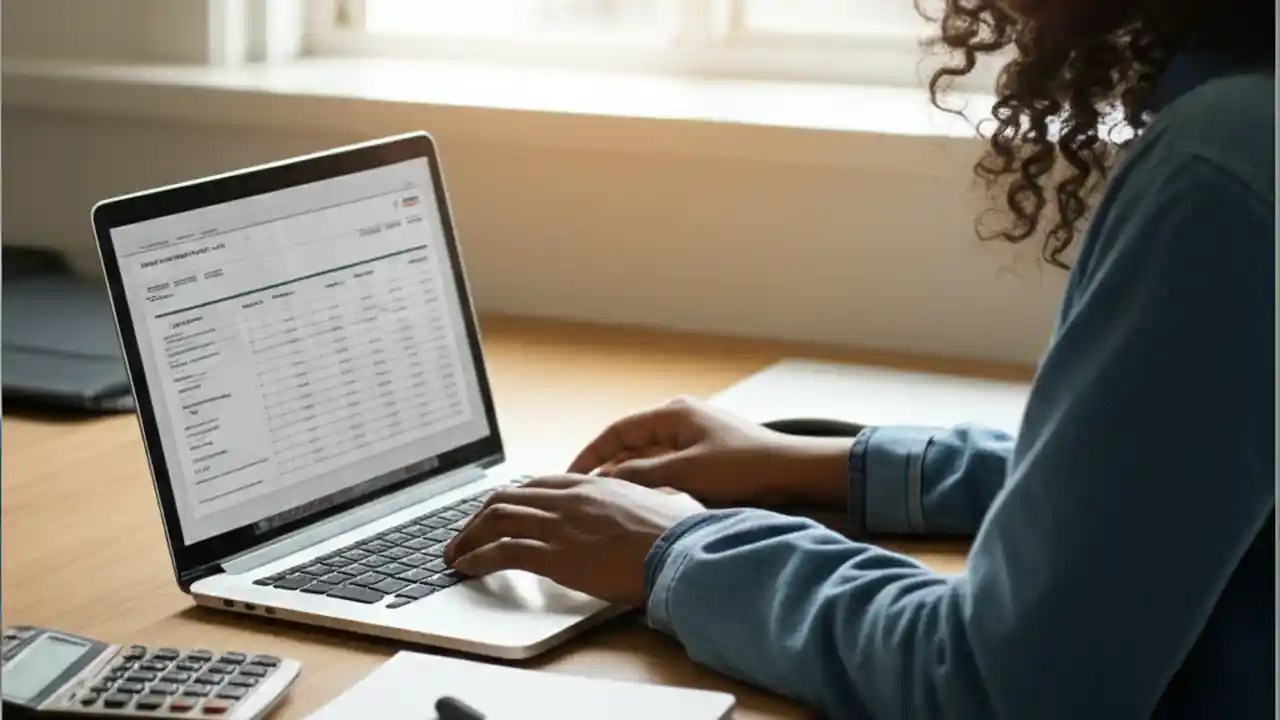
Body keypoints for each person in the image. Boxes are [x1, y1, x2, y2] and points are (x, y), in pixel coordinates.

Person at [445, 0, 1276, 716]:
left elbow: (990, 686)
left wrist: (681, 550)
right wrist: (820, 466)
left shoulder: (1222, 169)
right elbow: (1153, 494)